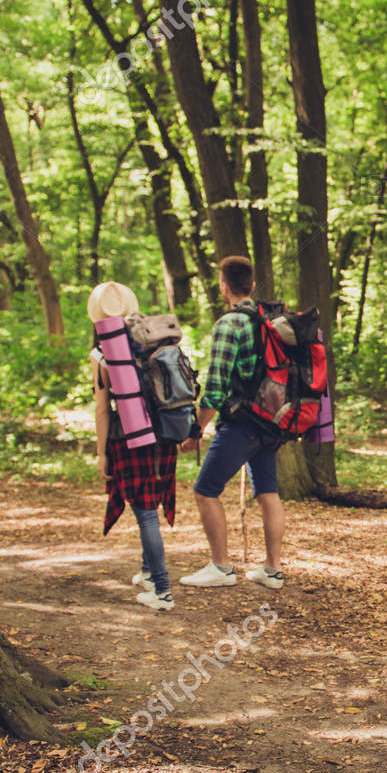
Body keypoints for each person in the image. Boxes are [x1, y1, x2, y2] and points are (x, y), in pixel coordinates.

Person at [181, 256, 287, 590]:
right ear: (252, 285)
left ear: (224, 287)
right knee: (268, 492)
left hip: (243, 424)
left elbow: (214, 390)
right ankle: (272, 570)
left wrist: (195, 431)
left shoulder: (229, 325)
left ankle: (222, 567)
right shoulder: (272, 319)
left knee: (205, 490)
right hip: (273, 421)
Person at [89, 281, 194, 612]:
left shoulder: (103, 354)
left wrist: (101, 452)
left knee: (146, 513)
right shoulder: (155, 340)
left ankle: (162, 590)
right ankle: (149, 573)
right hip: (165, 433)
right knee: (152, 503)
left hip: (130, 439)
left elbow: (102, 409)